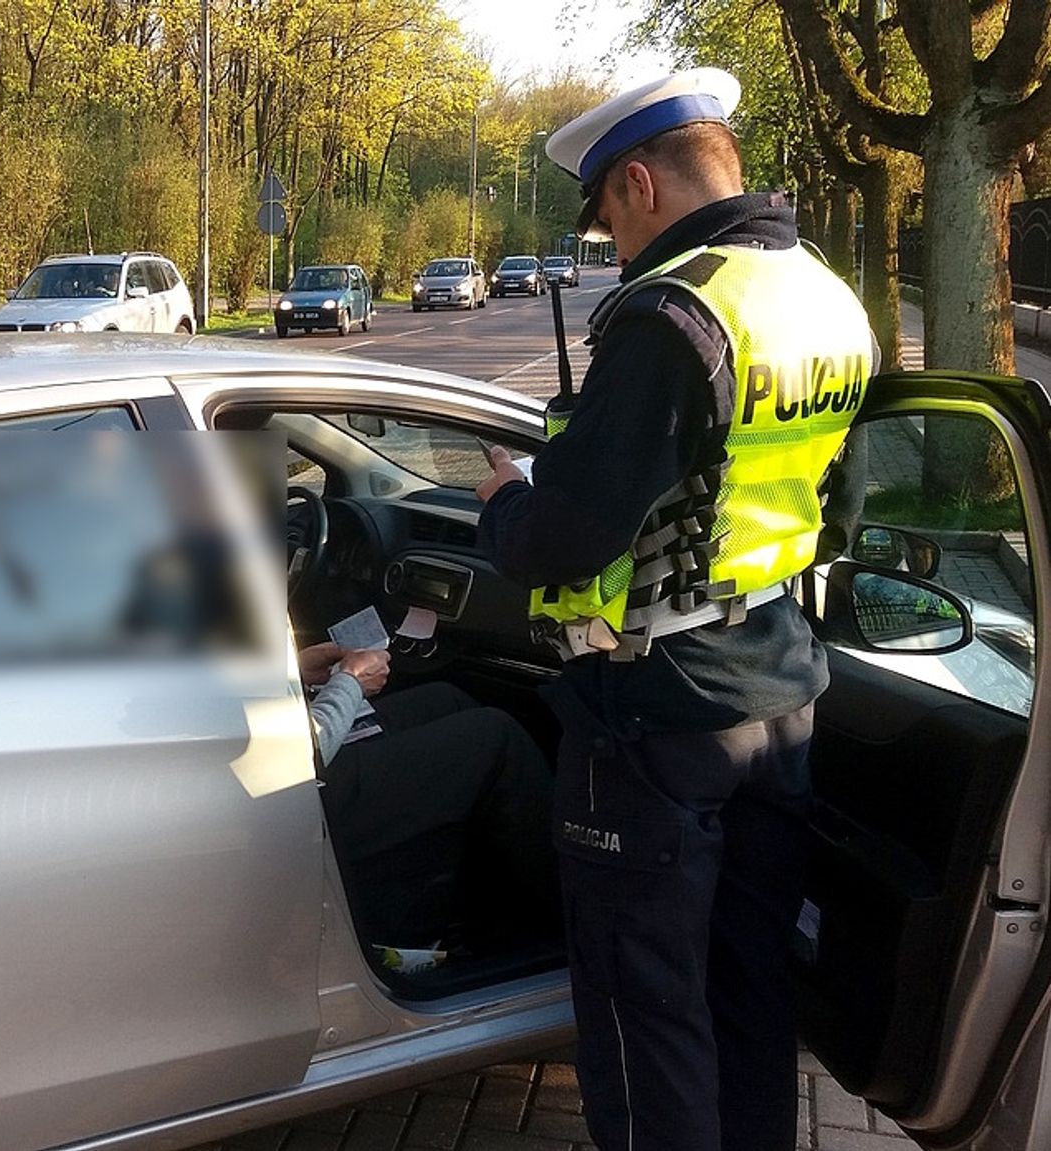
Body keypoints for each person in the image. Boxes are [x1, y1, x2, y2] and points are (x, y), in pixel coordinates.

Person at [474, 69, 874, 1151]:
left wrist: (505, 500)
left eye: (605, 216)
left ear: (640, 180)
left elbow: (565, 538)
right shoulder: (826, 299)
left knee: (645, 1012)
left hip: (650, 724)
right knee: (749, 987)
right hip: (780, 700)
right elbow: (837, 509)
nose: (610, 241)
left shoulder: (672, 313)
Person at [297, 641, 558, 954]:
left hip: (287, 759)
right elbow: (296, 757)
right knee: (496, 739)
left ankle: (492, 905)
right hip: (291, 800)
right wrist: (350, 683)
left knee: (446, 700)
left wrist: (297, 673)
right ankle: (582, 911)